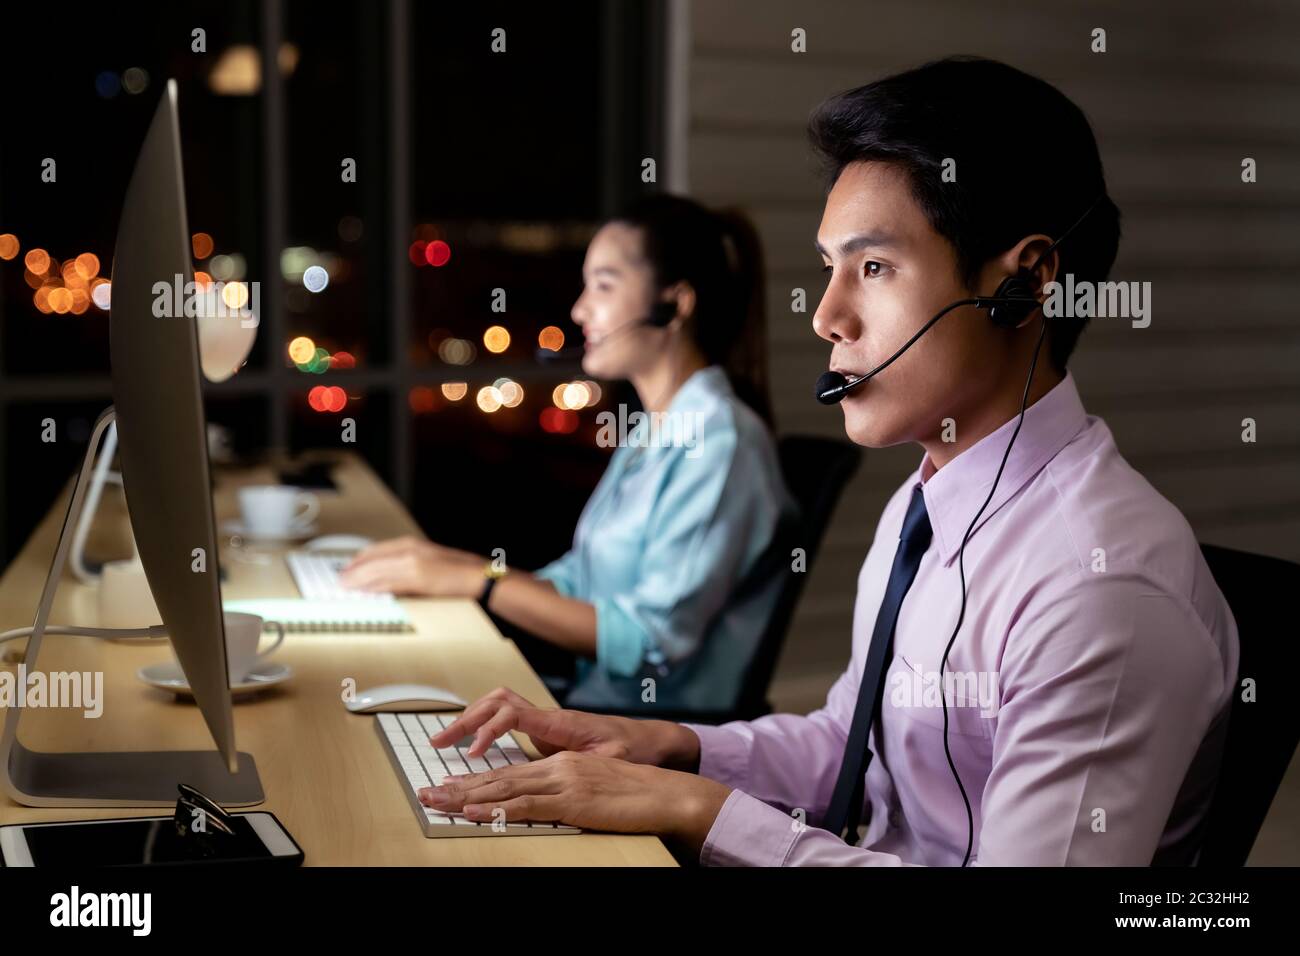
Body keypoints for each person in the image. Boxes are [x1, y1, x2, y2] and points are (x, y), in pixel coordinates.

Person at [411, 57, 1239, 866]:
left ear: (1024, 284)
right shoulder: (925, 506)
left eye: (874, 267)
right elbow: (851, 747)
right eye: (828, 268)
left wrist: (701, 812)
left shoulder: (1099, 589)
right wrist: (661, 745)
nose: (828, 316)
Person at [342, 194, 796, 712]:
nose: (580, 309)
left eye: (603, 285)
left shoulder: (720, 443)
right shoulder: (655, 428)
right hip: (592, 708)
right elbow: (577, 581)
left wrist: (478, 581)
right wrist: (448, 565)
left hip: (645, 735)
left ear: (674, 303)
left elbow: (647, 641)